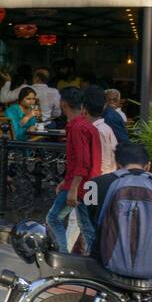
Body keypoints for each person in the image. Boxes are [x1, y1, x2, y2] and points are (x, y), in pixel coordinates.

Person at [84, 142, 152, 271]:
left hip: (104, 264)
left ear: (117, 165)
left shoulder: (92, 185)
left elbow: (92, 222)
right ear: (148, 166)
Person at [46, 86, 100, 254]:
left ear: (63, 104)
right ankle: (94, 259)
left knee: (53, 218)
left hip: (79, 184)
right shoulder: (88, 125)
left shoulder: (77, 127)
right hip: (91, 183)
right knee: (87, 225)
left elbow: (83, 162)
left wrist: (73, 188)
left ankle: (63, 255)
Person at [84, 86, 118, 176]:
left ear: (83, 108)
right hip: (108, 174)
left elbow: (104, 159)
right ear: (104, 105)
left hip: (101, 176)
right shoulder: (106, 127)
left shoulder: (97, 129)